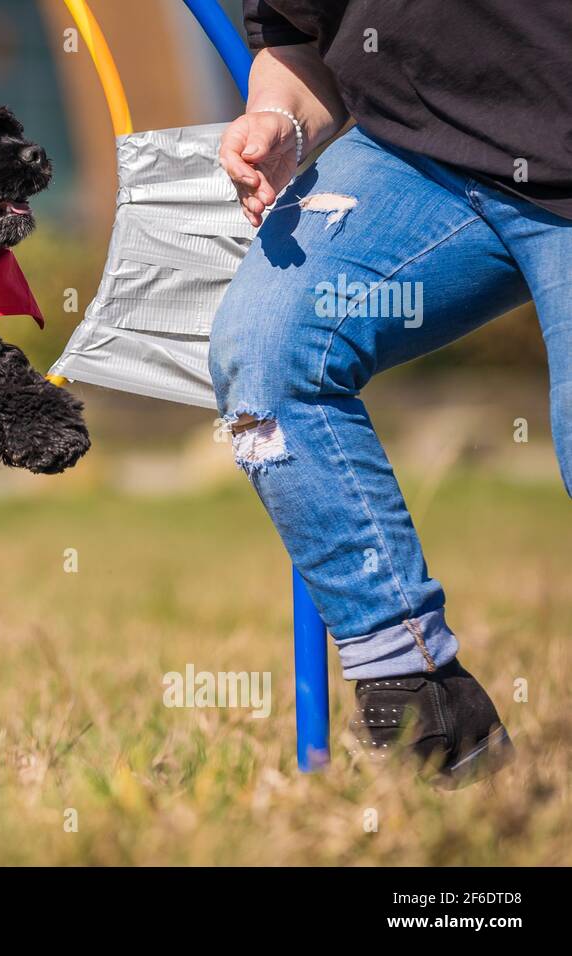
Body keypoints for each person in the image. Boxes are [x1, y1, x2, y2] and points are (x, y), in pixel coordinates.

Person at [211, 1, 571, 783]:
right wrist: (279, 119)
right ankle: (435, 726)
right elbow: (300, 44)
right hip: (418, 161)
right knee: (269, 355)